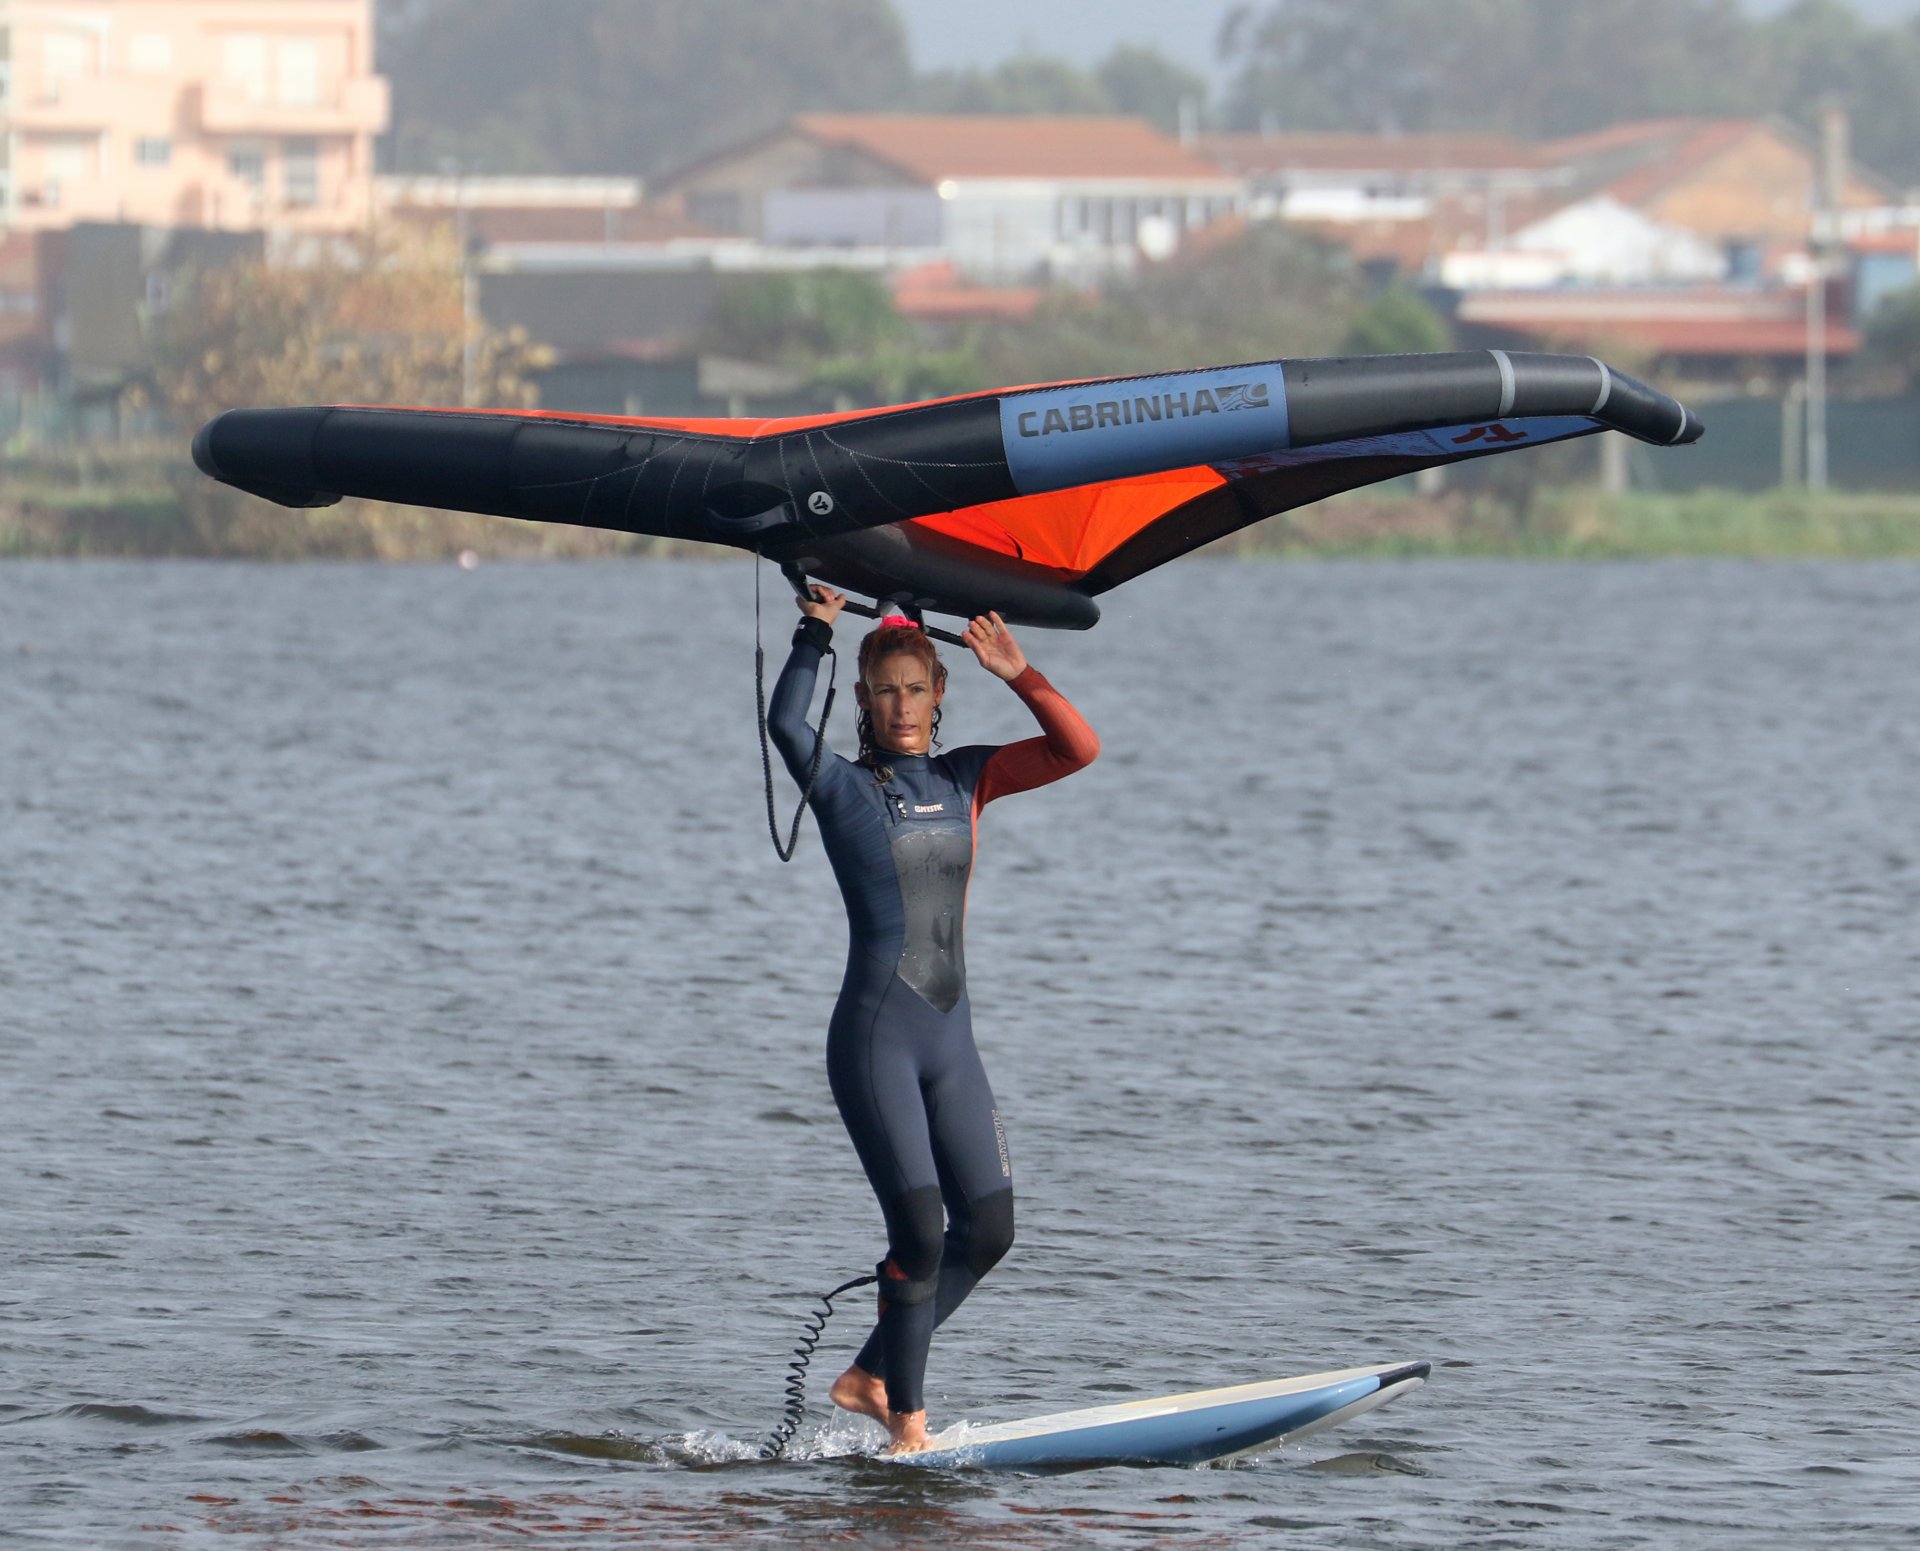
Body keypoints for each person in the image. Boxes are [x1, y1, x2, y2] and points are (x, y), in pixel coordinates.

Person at [766, 588, 1099, 1453]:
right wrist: (815, 630)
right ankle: (905, 1423)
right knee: (916, 1231)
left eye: (917, 689)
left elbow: (1077, 748)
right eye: (886, 690)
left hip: (952, 1043)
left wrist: (1020, 672)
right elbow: (787, 725)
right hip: (876, 1038)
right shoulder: (842, 787)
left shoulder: (968, 777)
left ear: (940, 693)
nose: (903, 706)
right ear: (867, 701)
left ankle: (868, 1374)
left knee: (988, 1229)